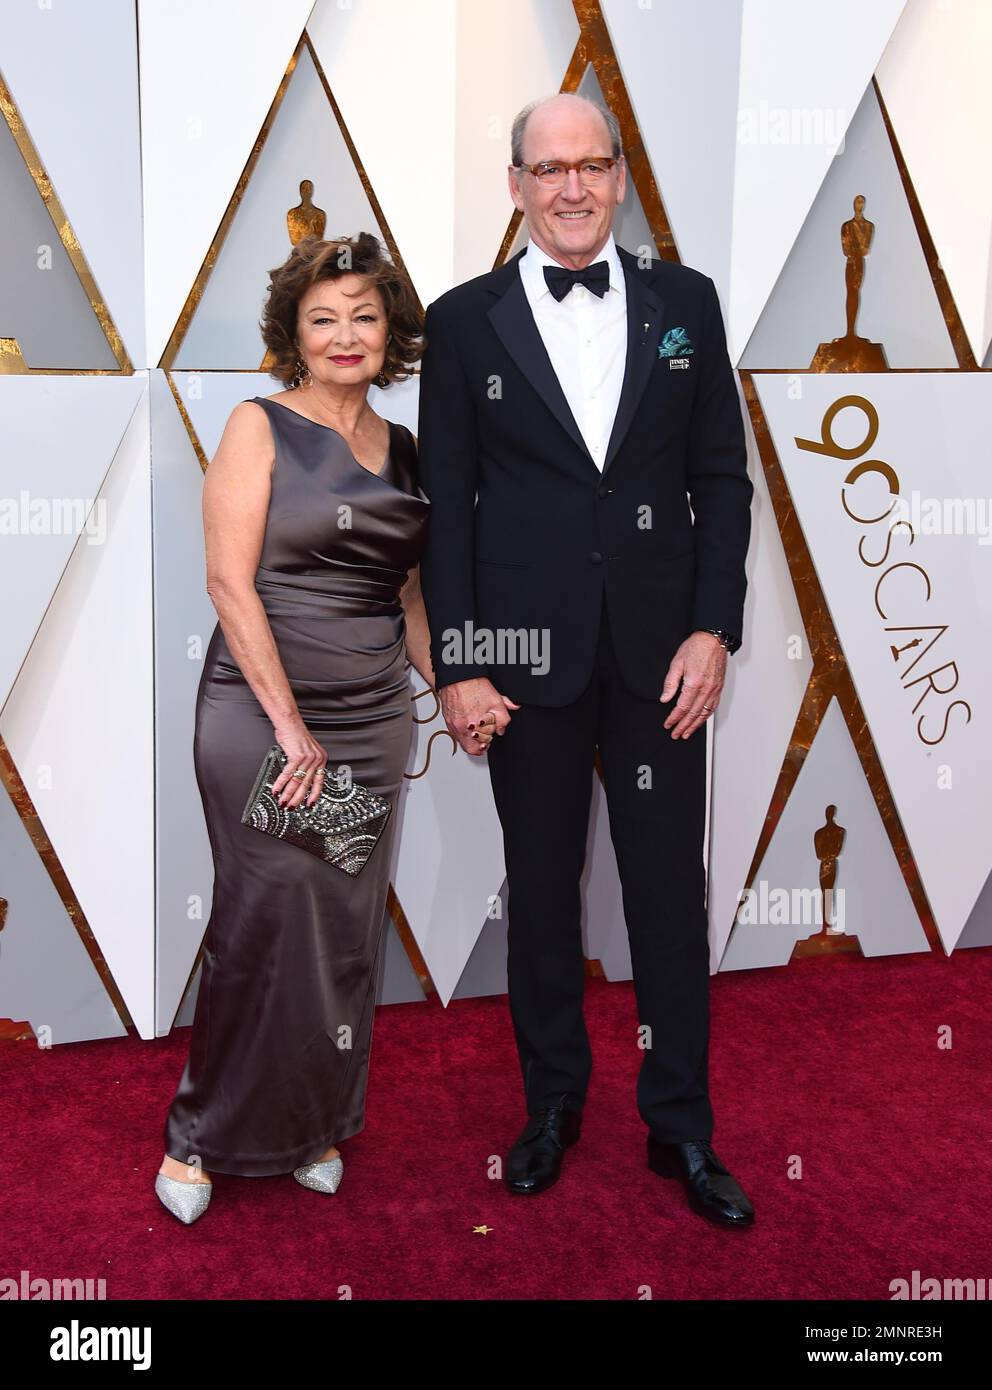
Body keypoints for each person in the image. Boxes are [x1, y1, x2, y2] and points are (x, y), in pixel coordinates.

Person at [417, 94, 755, 1227]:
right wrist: (459, 663)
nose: (571, 187)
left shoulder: (686, 306)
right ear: (513, 184)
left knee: (669, 897)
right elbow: (446, 513)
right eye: (547, 168)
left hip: (664, 656)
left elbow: (720, 477)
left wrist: (714, 628)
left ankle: (683, 1129)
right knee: (546, 898)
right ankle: (551, 1106)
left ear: (619, 178)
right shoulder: (462, 323)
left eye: (591, 166)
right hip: (520, 661)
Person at [156, 233, 494, 1224]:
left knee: (340, 935)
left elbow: (413, 601)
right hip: (262, 722)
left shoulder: (404, 447)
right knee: (260, 927)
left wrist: (454, 689)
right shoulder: (257, 428)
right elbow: (230, 582)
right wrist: (291, 728)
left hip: (371, 720)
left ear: (388, 330)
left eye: (363, 315)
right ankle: (198, 1136)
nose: (345, 334)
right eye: (323, 317)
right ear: (293, 335)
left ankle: (311, 1123)